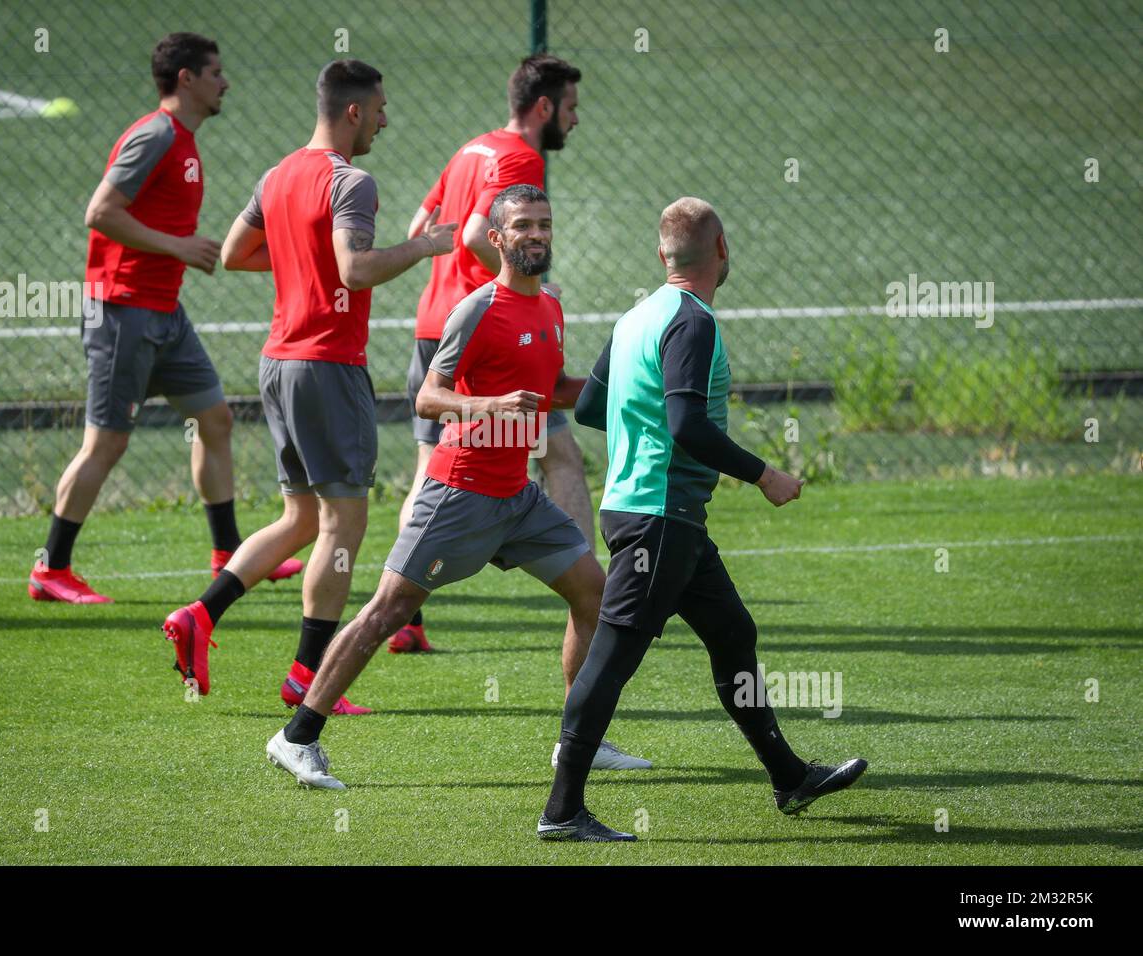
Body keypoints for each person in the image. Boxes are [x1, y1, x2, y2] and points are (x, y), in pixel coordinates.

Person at [265, 185, 648, 789]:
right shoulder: (477, 308)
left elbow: (553, 388)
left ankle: (580, 740)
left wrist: (624, 384)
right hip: (458, 494)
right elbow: (427, 397)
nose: (537, 234)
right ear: (496, 239)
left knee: (592, 594)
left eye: (545, 223)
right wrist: (492, 403)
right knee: (386, 612)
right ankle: (297, 736)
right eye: (523, 225)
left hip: (517, 498)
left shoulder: (549, 306)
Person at [536, 198, 867, 841]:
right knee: (610, 659)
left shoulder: (636, 317)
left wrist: (645, 427)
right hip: (659, 518)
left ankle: (789, 776)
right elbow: (687, 425)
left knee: (733, 633)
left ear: (663, 255)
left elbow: (593, 407)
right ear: (721, 249)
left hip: (656, 513)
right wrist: (765, 475)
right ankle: (562, 811)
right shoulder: (694, 322)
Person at [160, 60, 456, 705]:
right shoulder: (352, 181)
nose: (385, 118)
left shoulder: (278, 174)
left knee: (299, 517)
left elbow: (237, 254)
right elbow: (355, 270)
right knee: (342, 524)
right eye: (380, 107)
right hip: (327, 366)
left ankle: (200, 614)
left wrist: (303, 259)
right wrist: (427, 247)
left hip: (279, 363)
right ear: (353, 111)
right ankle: (308, 675)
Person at [28, 33, 302, 605]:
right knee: (105, 444)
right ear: (186, 79)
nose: (225, 82)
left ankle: (228, 553)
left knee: (216, 419)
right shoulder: (155, 135)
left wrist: (177, 252)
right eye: (215, 72)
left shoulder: (184, 141)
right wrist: (177, 247)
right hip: (122, 313)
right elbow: (100, 213)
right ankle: (51, 567)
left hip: (163, 314)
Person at [387, 54, 591, 655]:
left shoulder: (471, 148)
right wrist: (515, 295)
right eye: (572, 107)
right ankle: (589, 587)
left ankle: (407, 612)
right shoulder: (523, 157)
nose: (576, 121)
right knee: (563, 458)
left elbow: (424, 222)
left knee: (431, 467)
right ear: (545, 107)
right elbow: (479, 235)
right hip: (493, 332)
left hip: (435, 320)